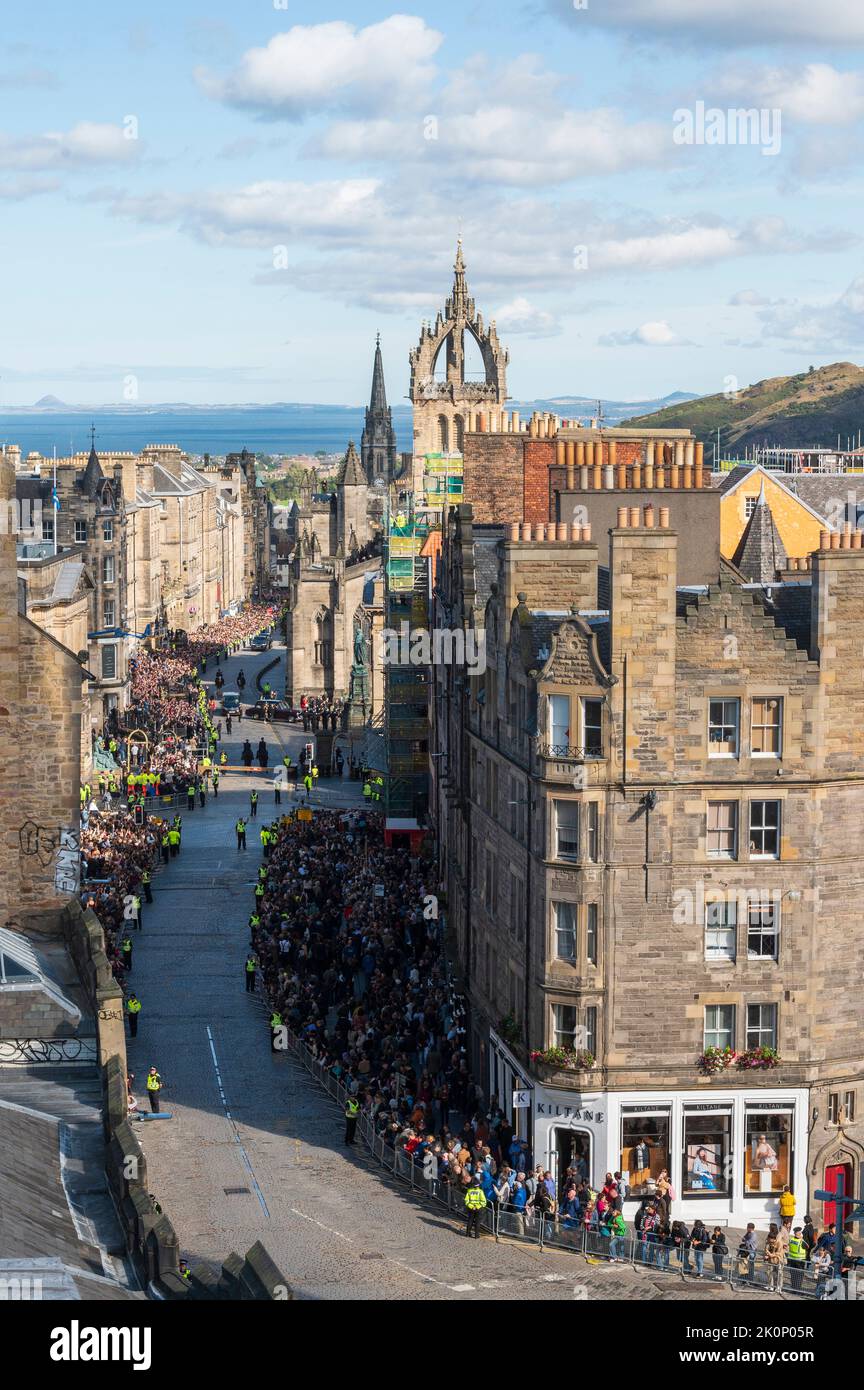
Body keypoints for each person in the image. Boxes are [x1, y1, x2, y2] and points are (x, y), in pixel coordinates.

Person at [764, 1226, 785, 1293]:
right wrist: (766, 1255)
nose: (769, 1241)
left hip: (779, 1261)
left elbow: (779, 1253)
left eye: (771, 1240)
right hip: (771, 1261)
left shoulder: (779, 1243)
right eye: (769, 1240)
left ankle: (779, 1287)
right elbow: (766, 1250)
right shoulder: (768, 1243)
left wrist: (770, 1255)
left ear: (774, 1239)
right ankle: (771, 1286)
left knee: (779, 1274)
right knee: (769, 1273)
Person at [787, 1227, 808, 1292]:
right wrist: (802, 1239)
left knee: (793, 1275)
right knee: (799, 1275)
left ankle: (793, 1287)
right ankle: (798, 1289)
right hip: (800, 1261)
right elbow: (807, 1246)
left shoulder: (791, 1239)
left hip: (791, 1260)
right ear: (799, 1234)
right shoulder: (801, 1241)